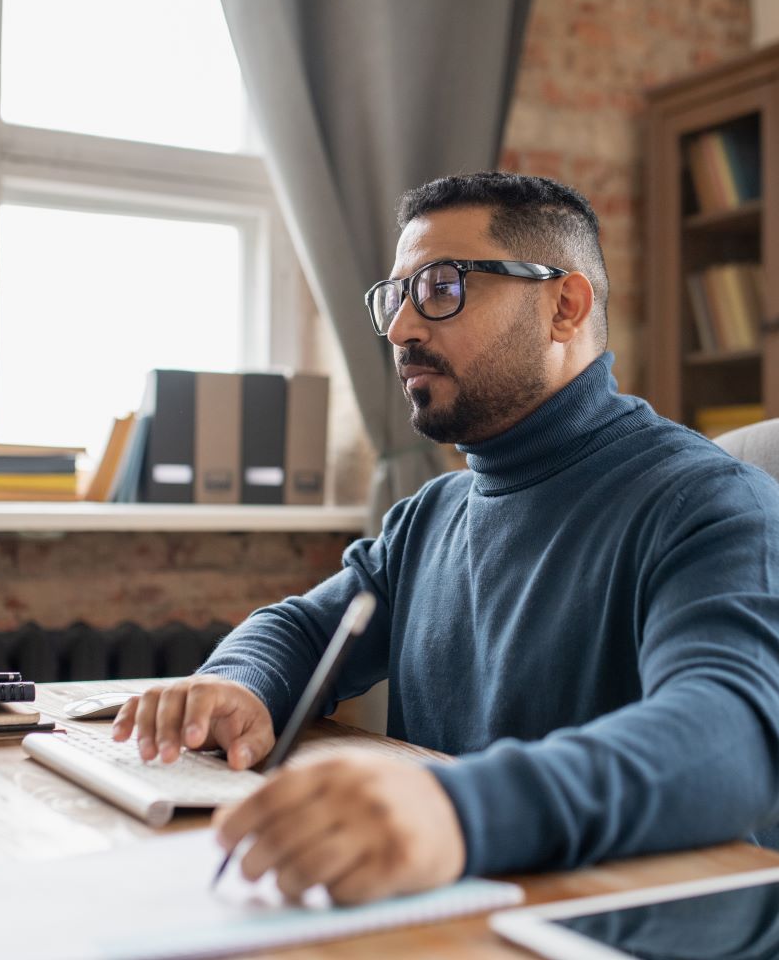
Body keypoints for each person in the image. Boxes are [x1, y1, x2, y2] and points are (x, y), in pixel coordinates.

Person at [113, 171, 779, 904]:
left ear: (564, 306)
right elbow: (304, 629)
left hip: (626, 925)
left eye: (441, 287)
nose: (401, 328)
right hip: (448, 911)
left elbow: (730, 741)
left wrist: (457, 810)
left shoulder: (711, 503)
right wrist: (239, 681)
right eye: (396, 296)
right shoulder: (430, 515)